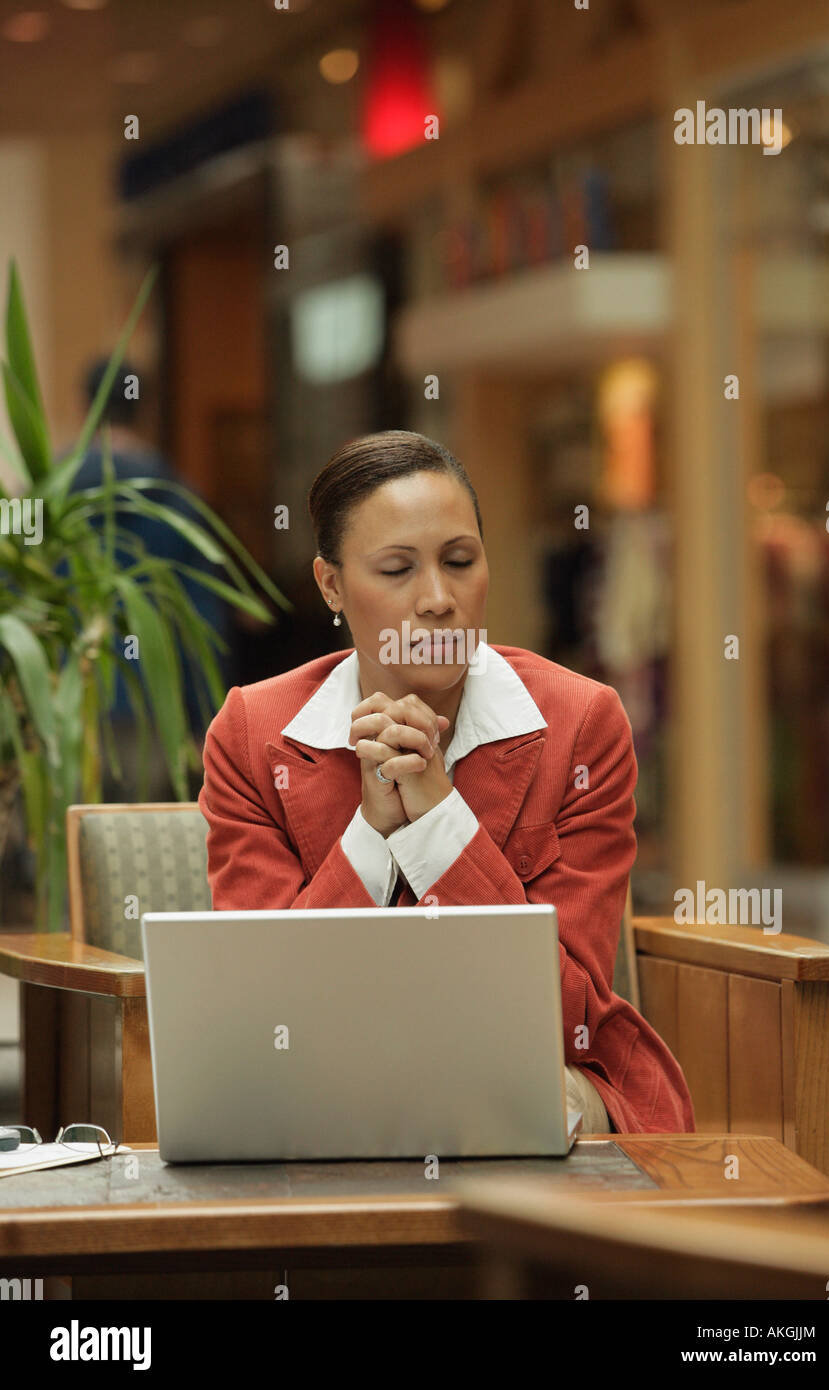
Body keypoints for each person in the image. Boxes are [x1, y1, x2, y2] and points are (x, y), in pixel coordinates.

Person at [197, 430, 695, 1134]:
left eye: (460, 561)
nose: (438, 599)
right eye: (397, 569)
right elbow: (271, 1009)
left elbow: (569, 1013)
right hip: (322, 1076)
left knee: (496, 1107)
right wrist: (372, 833)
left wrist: (438, 819)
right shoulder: (253, 733)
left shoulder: (579, 723)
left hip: (527, 1073)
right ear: (331, 584)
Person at [69, 358, 231, 798]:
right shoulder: (176, 499)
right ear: (144, 408)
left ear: (85, 406)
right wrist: (210, 722)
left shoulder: (50, 496)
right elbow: (202, 621)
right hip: (156, 709)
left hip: (66, 711)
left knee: (70, 854)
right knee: (142, 853)